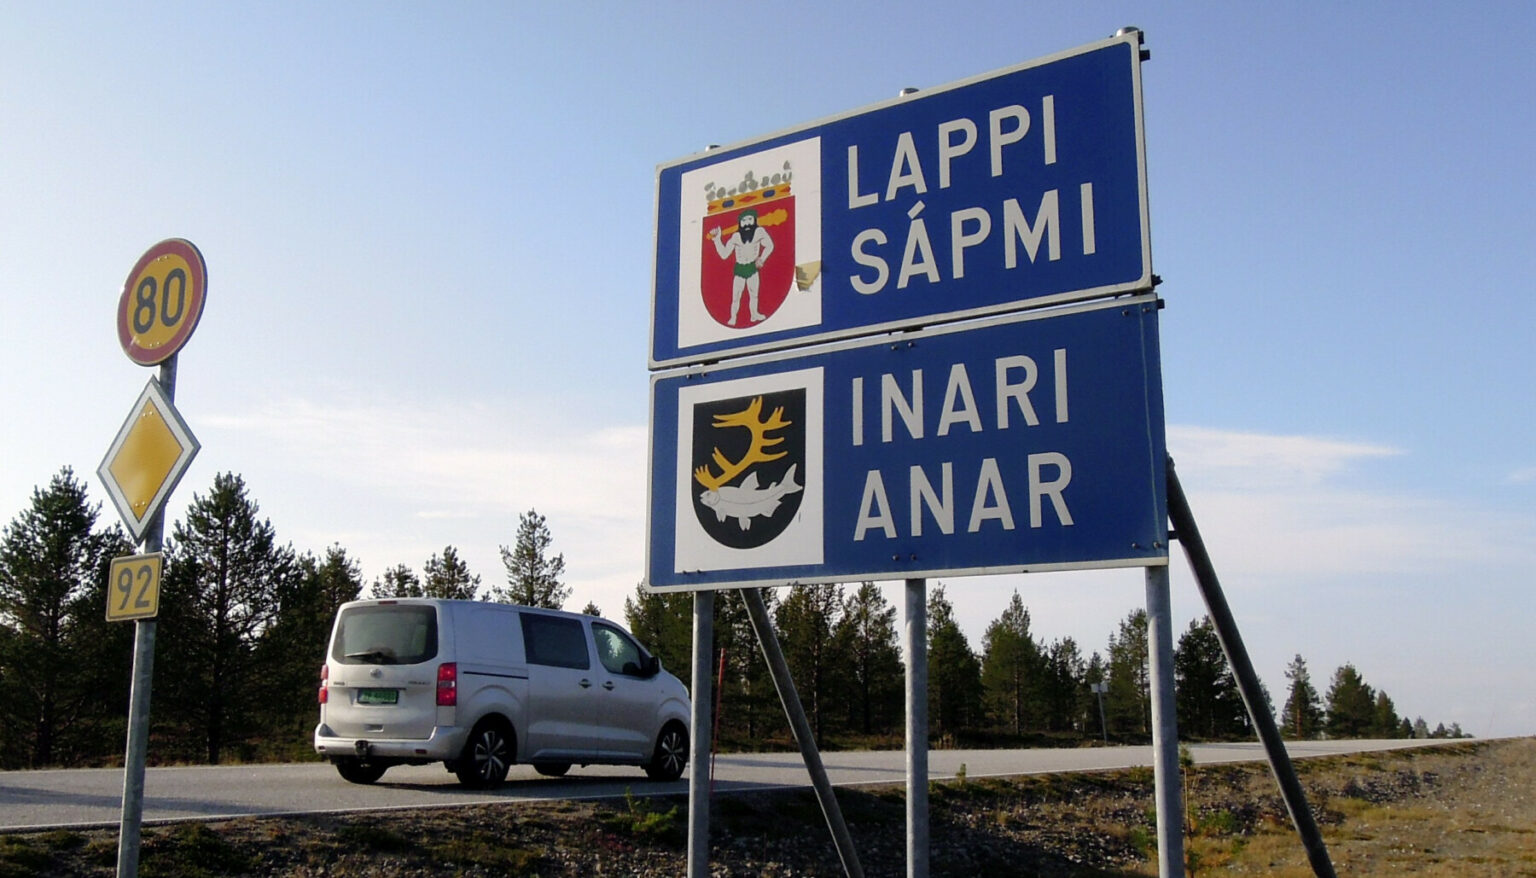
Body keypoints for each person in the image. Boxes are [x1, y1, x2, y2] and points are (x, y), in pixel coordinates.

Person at [708, 208, 774, 325]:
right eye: (744, 220)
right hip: (740, 269)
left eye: (749, 219)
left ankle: (754, 314)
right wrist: (717, 240)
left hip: (752, 268)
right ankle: (733, 318)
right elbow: (724, 254)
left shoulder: (759, 232)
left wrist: (762, 258)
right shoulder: (735, 237)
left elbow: (770, 245)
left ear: (754, 220)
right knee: (736, 296)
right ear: (740, 223)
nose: (747, 223)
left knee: (754, 294)